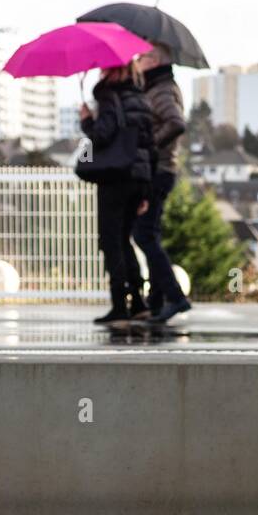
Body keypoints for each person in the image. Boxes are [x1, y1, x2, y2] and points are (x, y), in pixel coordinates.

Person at [80, 62, 156, 324]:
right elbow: (150, 146)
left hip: (115, 178)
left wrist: (87, 121)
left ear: (110, 70)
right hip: (139, 180)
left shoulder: (108, 96)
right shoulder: (142, 98)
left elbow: (101, 136)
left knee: (111, 242)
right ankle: (138, 301)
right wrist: (146, 191)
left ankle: (119, 306)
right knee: (125, 240)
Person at [134, 46, 192, 323]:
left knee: (144, 235)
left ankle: (175, 297)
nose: (137, 61)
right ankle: (157, 301)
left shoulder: (162, 89)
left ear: (154, 60)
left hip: (159, 169)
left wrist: (150, 145)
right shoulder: (158, 85)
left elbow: (175, 123)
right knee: (150, 234)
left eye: (142, 57)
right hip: (160, 169)